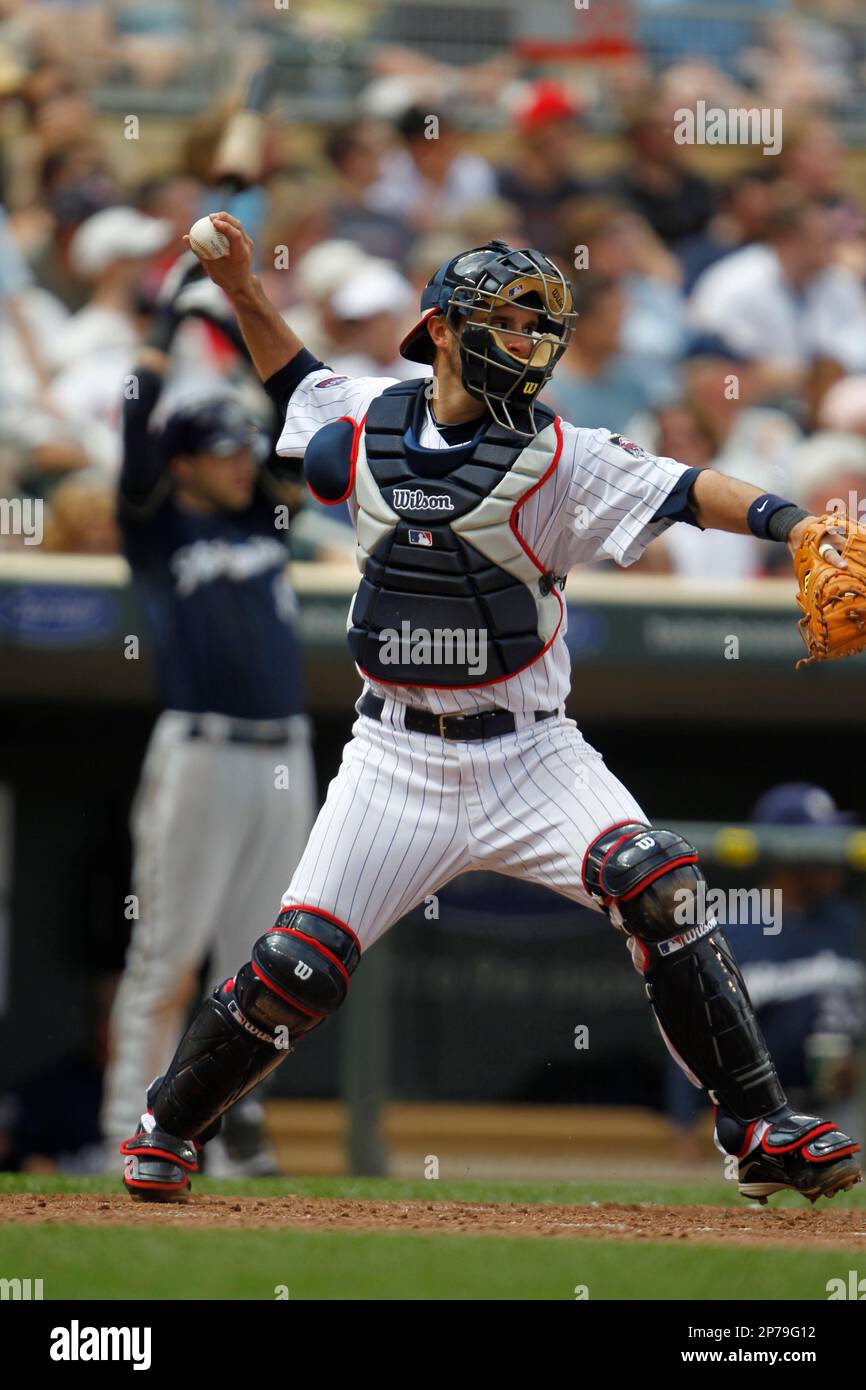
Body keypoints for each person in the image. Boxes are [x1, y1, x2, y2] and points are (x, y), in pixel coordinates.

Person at [119, 216, 860, 1205]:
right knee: (295, 964)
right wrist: (245, 288)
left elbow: (686, 490)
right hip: (394, 757)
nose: (530, 342)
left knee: (659, 882)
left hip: (531, 753)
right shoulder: (366, 425)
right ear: (437, 328)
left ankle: (757, 1127)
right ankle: (165, 1125)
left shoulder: (562, 454)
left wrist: (795, 522)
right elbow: (290, 379)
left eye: (537, 325)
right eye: (508, 322)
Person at [101, 321, 316, 1175]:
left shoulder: (267, 521)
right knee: (168, 958)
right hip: (198, 748)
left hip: (284, 754)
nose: (240, 463)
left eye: (243, 450)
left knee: (259, 963)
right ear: (184, 462)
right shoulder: (160, 534)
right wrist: (159, 339)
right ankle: (123, 1127)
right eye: (221, 452)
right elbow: (131, 449)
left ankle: (215, 1134)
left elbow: (295, 425)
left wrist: (229, 321)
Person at [667, 784, 866, 1158]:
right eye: (820, 844)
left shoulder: (848, 925)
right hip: (759, 1115)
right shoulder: (731, 930)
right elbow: (693, 1034)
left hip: (841, 1110)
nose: (834, 854)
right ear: (787, 853)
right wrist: (685, 1125)